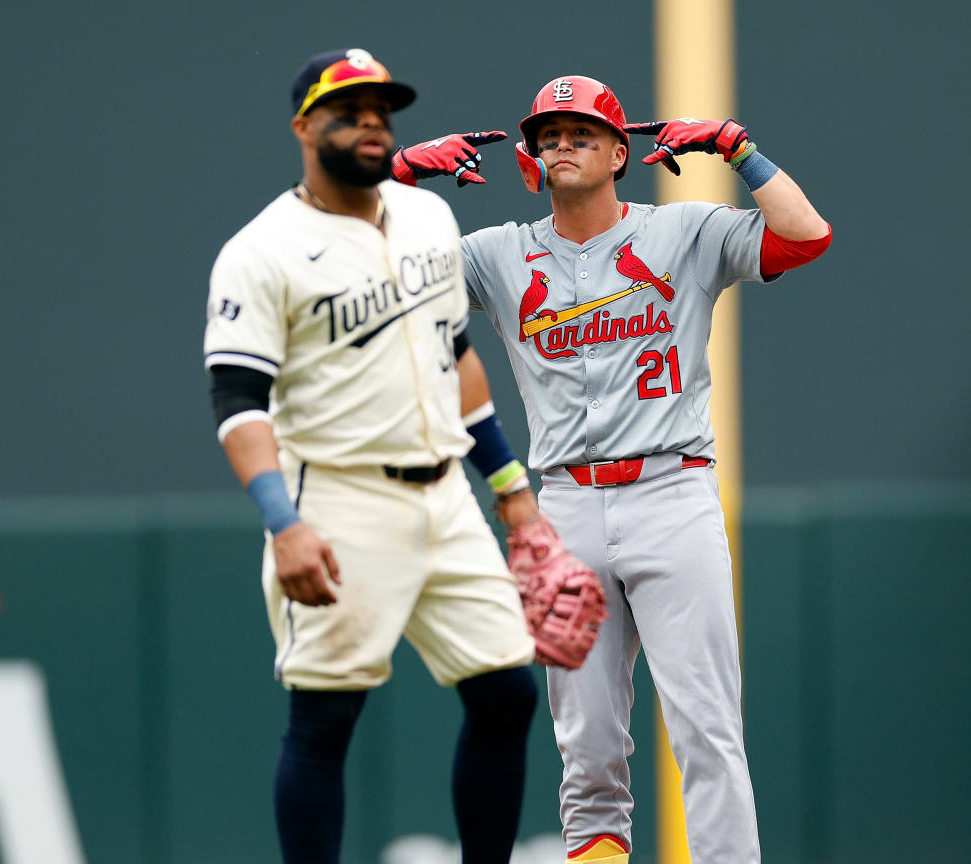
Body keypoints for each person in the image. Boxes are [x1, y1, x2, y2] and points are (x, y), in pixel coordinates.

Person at [391, 76, 831, 863]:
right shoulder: (497, 254)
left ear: (620, 152)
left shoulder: (683, 231)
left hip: (672, 491)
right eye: (548, 133)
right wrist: (395, 178)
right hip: (564, 505)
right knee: (587, 743)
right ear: (530, 156)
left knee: (706, 730)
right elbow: (376, 282)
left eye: (582, 132)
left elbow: (805, 236)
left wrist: (740, 149)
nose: (561, 142)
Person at [203, 49, 554, 864]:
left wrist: (511, 489)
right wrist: (282, 523)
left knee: (507, 692)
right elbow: (236, 403)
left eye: (380, 111)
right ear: (303, 128)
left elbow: (455, 350)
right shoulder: (262, 250)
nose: (370, 123)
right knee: (327, 719)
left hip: (446, 497)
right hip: (336, 501)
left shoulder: (427, 216)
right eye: (348, 110)